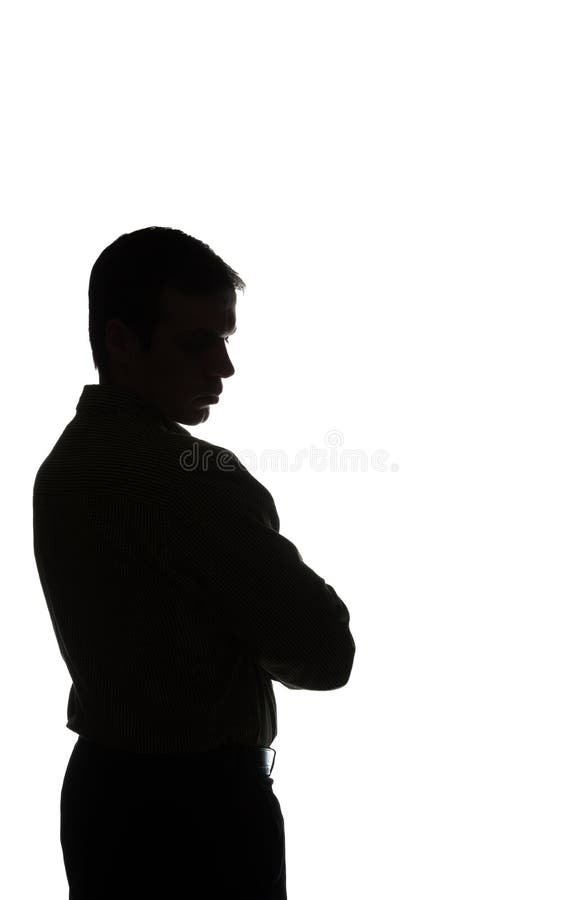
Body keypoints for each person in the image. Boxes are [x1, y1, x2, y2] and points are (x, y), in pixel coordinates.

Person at [32, 225, 356, 898]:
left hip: (102, 801)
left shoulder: (61, 469)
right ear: (120, 339)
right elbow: (326, 652)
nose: (224, 367)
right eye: (196, 342)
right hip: (202, 818)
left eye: (225, 340)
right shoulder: (191, 477)